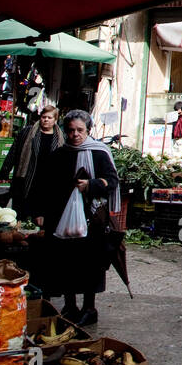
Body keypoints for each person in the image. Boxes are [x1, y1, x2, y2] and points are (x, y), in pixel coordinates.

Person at [34, 110, 119, 326]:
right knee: (65, 263)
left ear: (88, 130)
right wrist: (40, 213)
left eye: (80, 130)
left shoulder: (99, 153)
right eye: (71, 130)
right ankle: (69, 306)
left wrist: (91, 185)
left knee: (90, 264)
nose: (75, 135)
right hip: (60, 218)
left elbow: (112, 181)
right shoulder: (59, 154)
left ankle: (89, 309)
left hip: (91, 220)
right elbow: (45, 186)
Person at [0, 105, 64, 221]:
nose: (46, 120)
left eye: (49, 118)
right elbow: (14, 152)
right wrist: (5, 170)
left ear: (55, 120)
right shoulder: (28, 132)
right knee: (22, 211)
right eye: (44, 117)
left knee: (41, 212)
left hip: (47, 179)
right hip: (26, 177)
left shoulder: (60, 137)